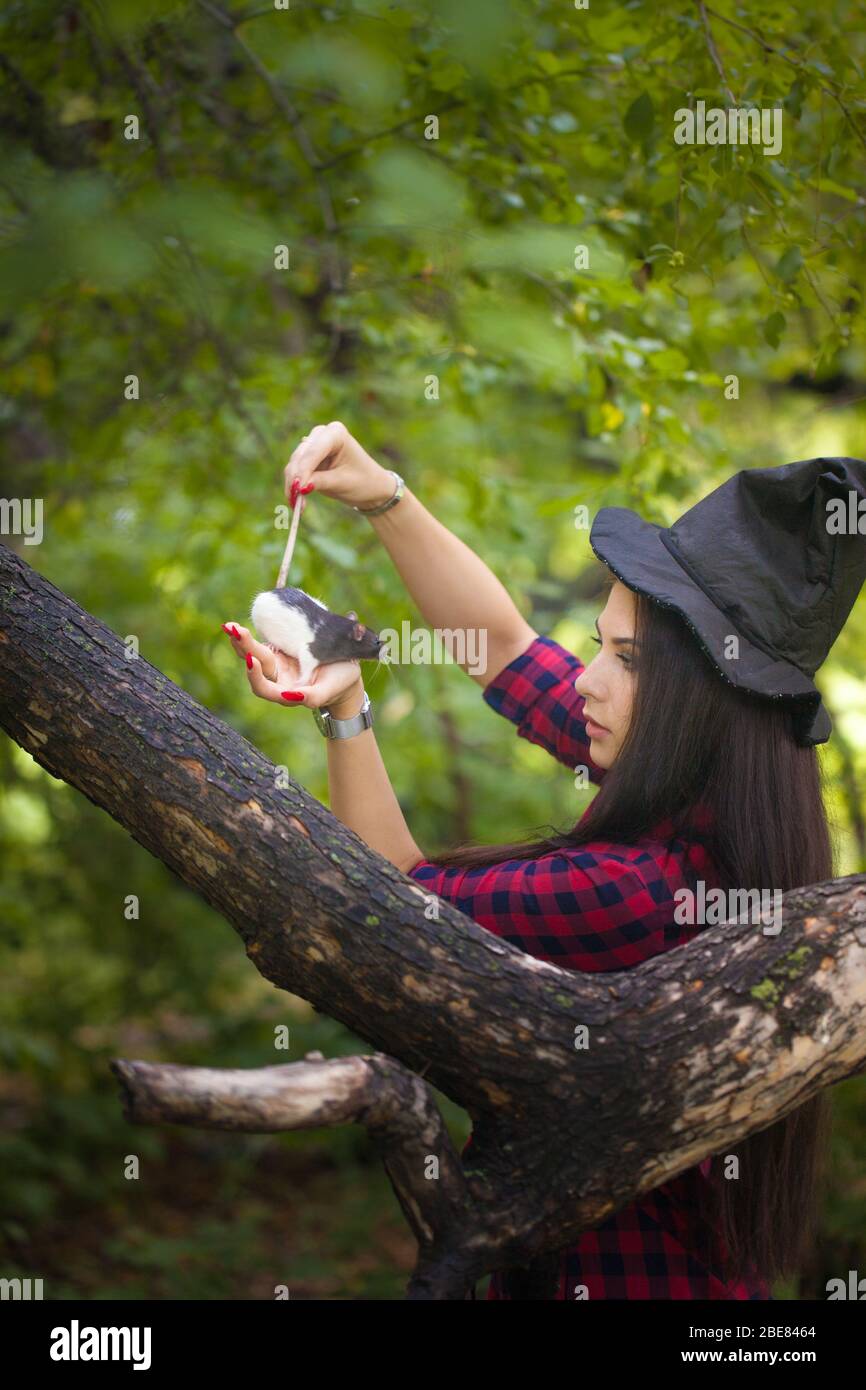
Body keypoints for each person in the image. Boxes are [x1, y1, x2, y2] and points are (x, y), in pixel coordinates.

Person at [222, 424, 866, 1300]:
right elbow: (503, 648)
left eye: (625, 660)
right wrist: (382, 495)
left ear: (701, 698)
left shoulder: (641, 894)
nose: (590, 679)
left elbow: (391, 905)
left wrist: (345, 706)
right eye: (602, 643)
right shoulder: (715, 794)